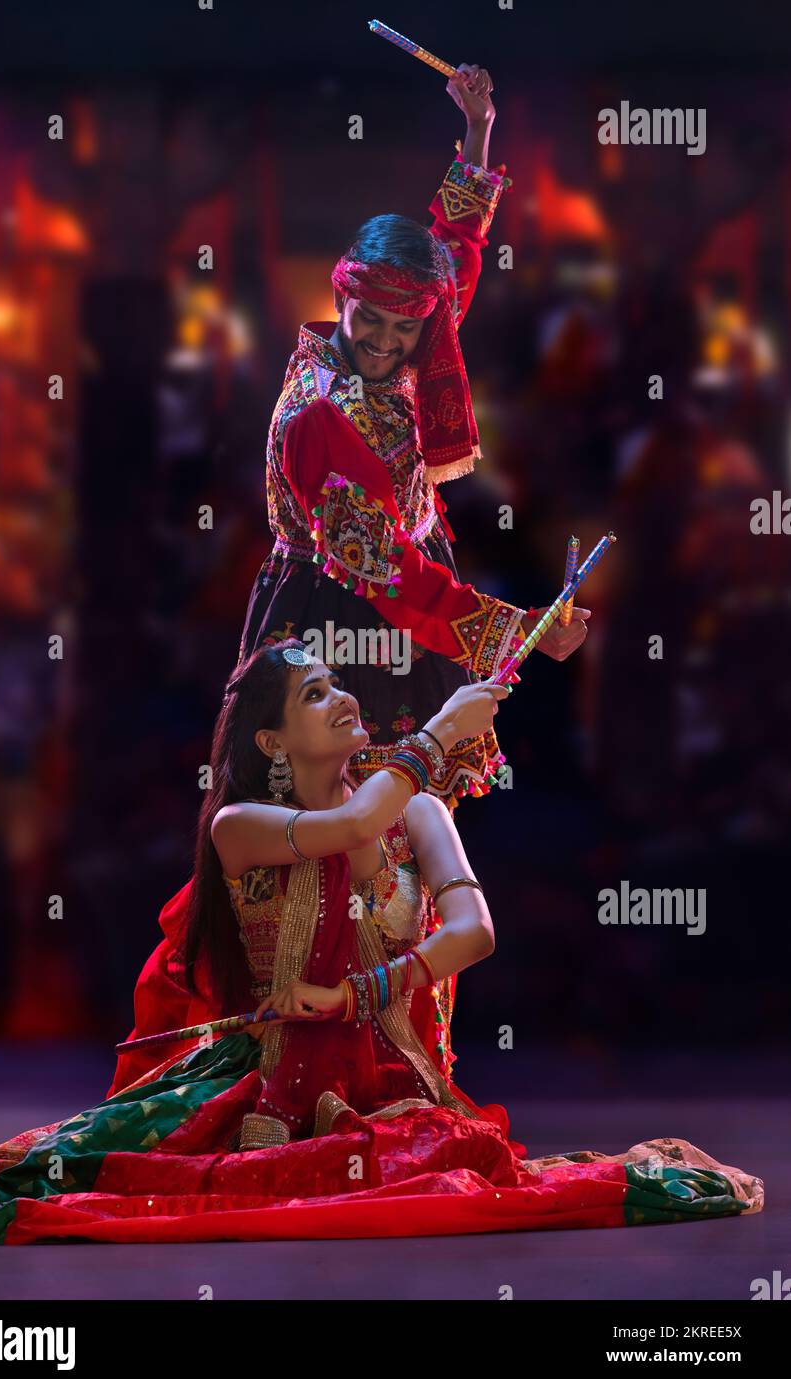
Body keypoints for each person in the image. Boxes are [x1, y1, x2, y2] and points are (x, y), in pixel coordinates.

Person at [0, 641, 763, 1244]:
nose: (341, 697)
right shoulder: (241, 826)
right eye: (314, 694)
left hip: (390, 1077)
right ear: (272, 743)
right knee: (116, 1177)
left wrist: (351, 995)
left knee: (458, 1150)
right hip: (270, 1083)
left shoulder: (419, 811)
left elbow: (474, 933)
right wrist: (439, 733)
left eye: (337, 682)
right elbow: (352, 825)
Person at [239, 62, 589, 816]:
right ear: (342, 294)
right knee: (352, 815)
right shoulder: (320, 418)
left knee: (418, 813)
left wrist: (477, 130)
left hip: (413, 587)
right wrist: (515, 632)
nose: (384, 343)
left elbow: (452, 248)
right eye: (370, 320)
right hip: (341, 614)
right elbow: (383, 570)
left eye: (406, 328)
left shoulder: (414, 336)